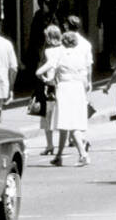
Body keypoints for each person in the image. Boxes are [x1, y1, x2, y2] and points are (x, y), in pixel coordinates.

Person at [39, 28, 91, 167]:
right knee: (66, 124)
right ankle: (59, 156)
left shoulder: (59, 55)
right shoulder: (80, 56)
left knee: (69, 123)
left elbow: (40, 72)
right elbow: (85, 77)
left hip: (64, 88)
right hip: (78, 88)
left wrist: (47, 80)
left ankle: (83, 154)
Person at [33, 25, 61, 155]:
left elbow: (40, 71)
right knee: (62, 115)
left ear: (49, 38)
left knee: (47, 116)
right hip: (62, 85)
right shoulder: (64, 49)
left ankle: (50, 144)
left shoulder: (48, 51)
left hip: (50, 87)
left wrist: (44, 78)